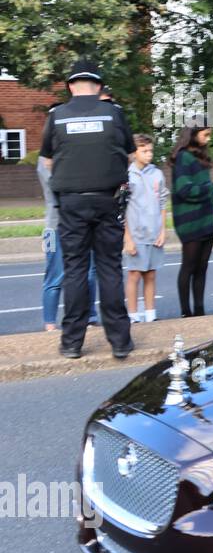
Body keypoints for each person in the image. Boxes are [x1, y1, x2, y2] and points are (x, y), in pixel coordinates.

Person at [37, 58, 134, 359]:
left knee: (75, 270)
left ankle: (72, 343)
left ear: (70, 86)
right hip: (107, 200)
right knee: (109, 268)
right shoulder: (114, 114)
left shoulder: (57, 115)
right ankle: (119, 341)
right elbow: (130, 155)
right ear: (99, 86)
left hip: (71, 203)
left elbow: (48, 161)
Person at [170, 120, 213, 317]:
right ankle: (186, 313)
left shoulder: (200, 157)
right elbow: (185, 191)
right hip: (190, 222)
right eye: (206, 134)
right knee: (189, 266)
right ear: (193, 134)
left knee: (202, 268)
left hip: (206, 221)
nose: (208, 138)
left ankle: (200, 312)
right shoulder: (183, 158)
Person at [37, 156, 98, 331]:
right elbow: (56, 188)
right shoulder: (44, 160)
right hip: (53, 228)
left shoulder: (76, 152)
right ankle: (50, 324)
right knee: (54, 275)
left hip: (83, 221)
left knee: (89, 273)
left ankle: (90, 317)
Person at [123, 133, 169, 321]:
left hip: (154, 233)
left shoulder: (157, 173)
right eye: (144, 151)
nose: (149, 154)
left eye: (151, 150)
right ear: (134, 153)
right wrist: (127, 238)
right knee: (134, 275)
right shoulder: (126, 176)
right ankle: (133, 316)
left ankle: (151, 315)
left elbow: (163, 202)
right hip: (135, 234)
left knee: (151, 274)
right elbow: (121, 208)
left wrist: (163, 230)